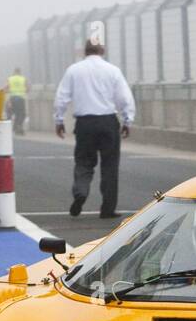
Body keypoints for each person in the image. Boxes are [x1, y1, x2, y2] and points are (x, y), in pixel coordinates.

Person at [54, 40, 135, 219]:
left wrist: (59, 120)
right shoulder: (113, 70)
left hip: (85, 123)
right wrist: (127, 121)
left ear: (85, 51)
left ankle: (81, 192)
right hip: (107, 121)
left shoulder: (74, 70)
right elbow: (124, 98)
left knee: (83, 162)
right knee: (110, 166)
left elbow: (62, 97)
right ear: (102, 50)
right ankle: (107, 209)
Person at [7, 66, 28, 134]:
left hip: (12, 99)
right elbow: (27, 88)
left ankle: (13, 127)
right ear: (19, 72)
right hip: (21, 99)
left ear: (14, 72)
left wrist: (8, 100)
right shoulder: (23, 79)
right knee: (22, 114)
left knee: (12, 113)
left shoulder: (10, 79)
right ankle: (18, 126)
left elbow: (7, 89)